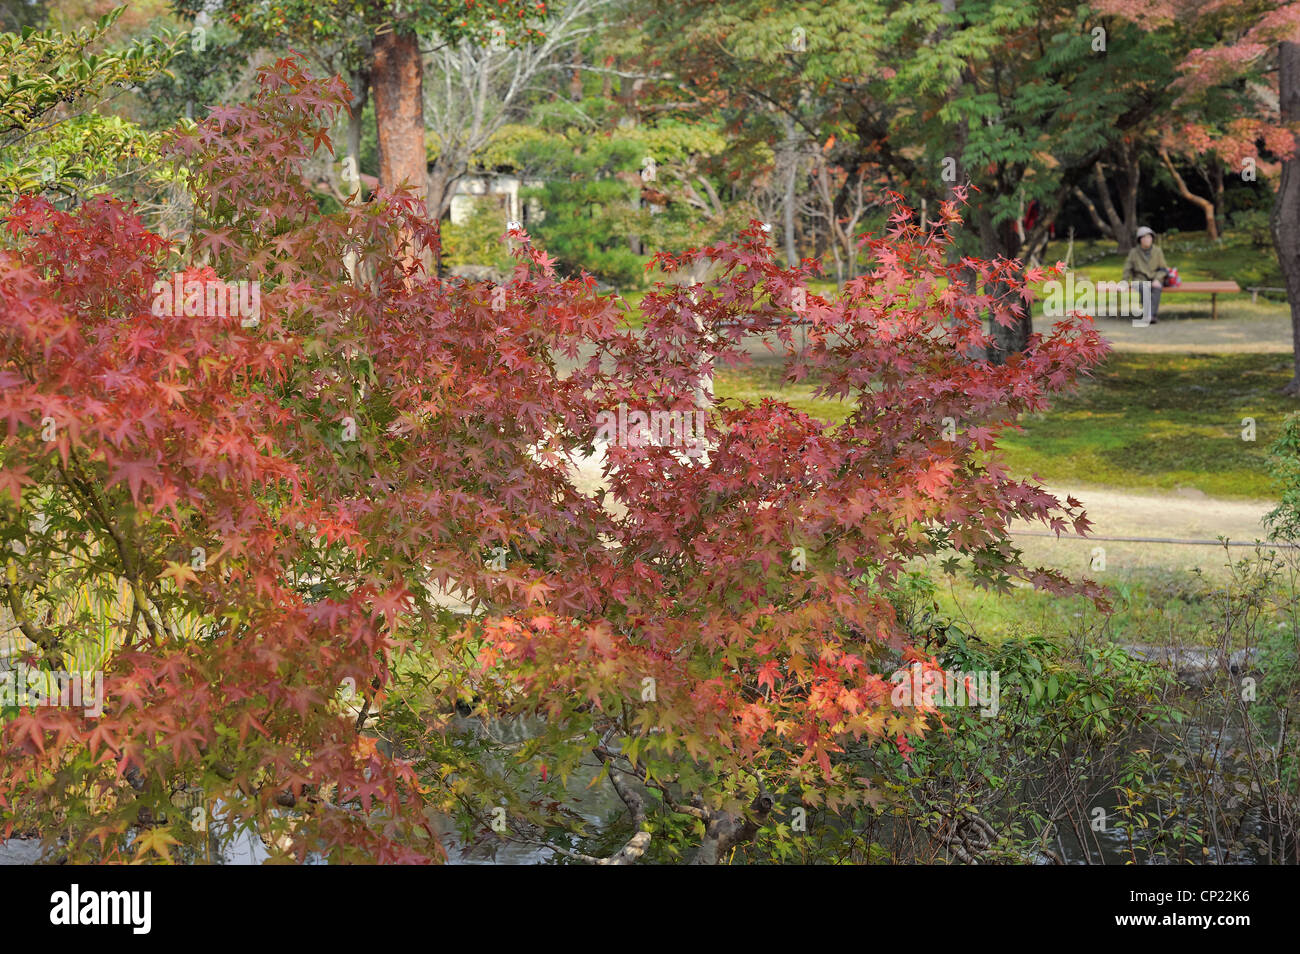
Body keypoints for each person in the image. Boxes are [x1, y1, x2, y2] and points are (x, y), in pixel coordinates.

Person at [1122, 226, 1170, 324]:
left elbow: (1164, 269)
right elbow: (1127, 268)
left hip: (1154, 278)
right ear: (1140, 240)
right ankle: (1148, 314)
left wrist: (1157, 279)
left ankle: (1152, 315)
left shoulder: (1158, 251)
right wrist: (1125, 282)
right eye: (1144, 237)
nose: (1147, 239)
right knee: (1144, 287)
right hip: (1139, 279)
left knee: (1157, 287)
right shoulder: (1134, 252)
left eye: (1149, 237)